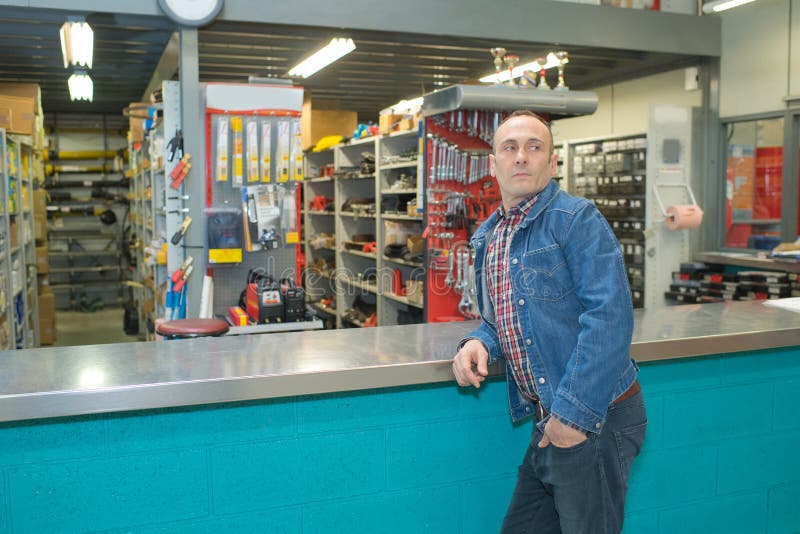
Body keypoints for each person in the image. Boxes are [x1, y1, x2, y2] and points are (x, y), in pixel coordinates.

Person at [451, 110, 646, 534]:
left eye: (534, 147)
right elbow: (502, 317)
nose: (521, 157)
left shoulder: (576, 220)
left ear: (552, 162)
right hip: (549, 419)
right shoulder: (489, 236)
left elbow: (609, 318)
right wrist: (479, 341)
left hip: (594, 415)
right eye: (510, 148)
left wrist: (572, 419)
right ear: (493, 164)